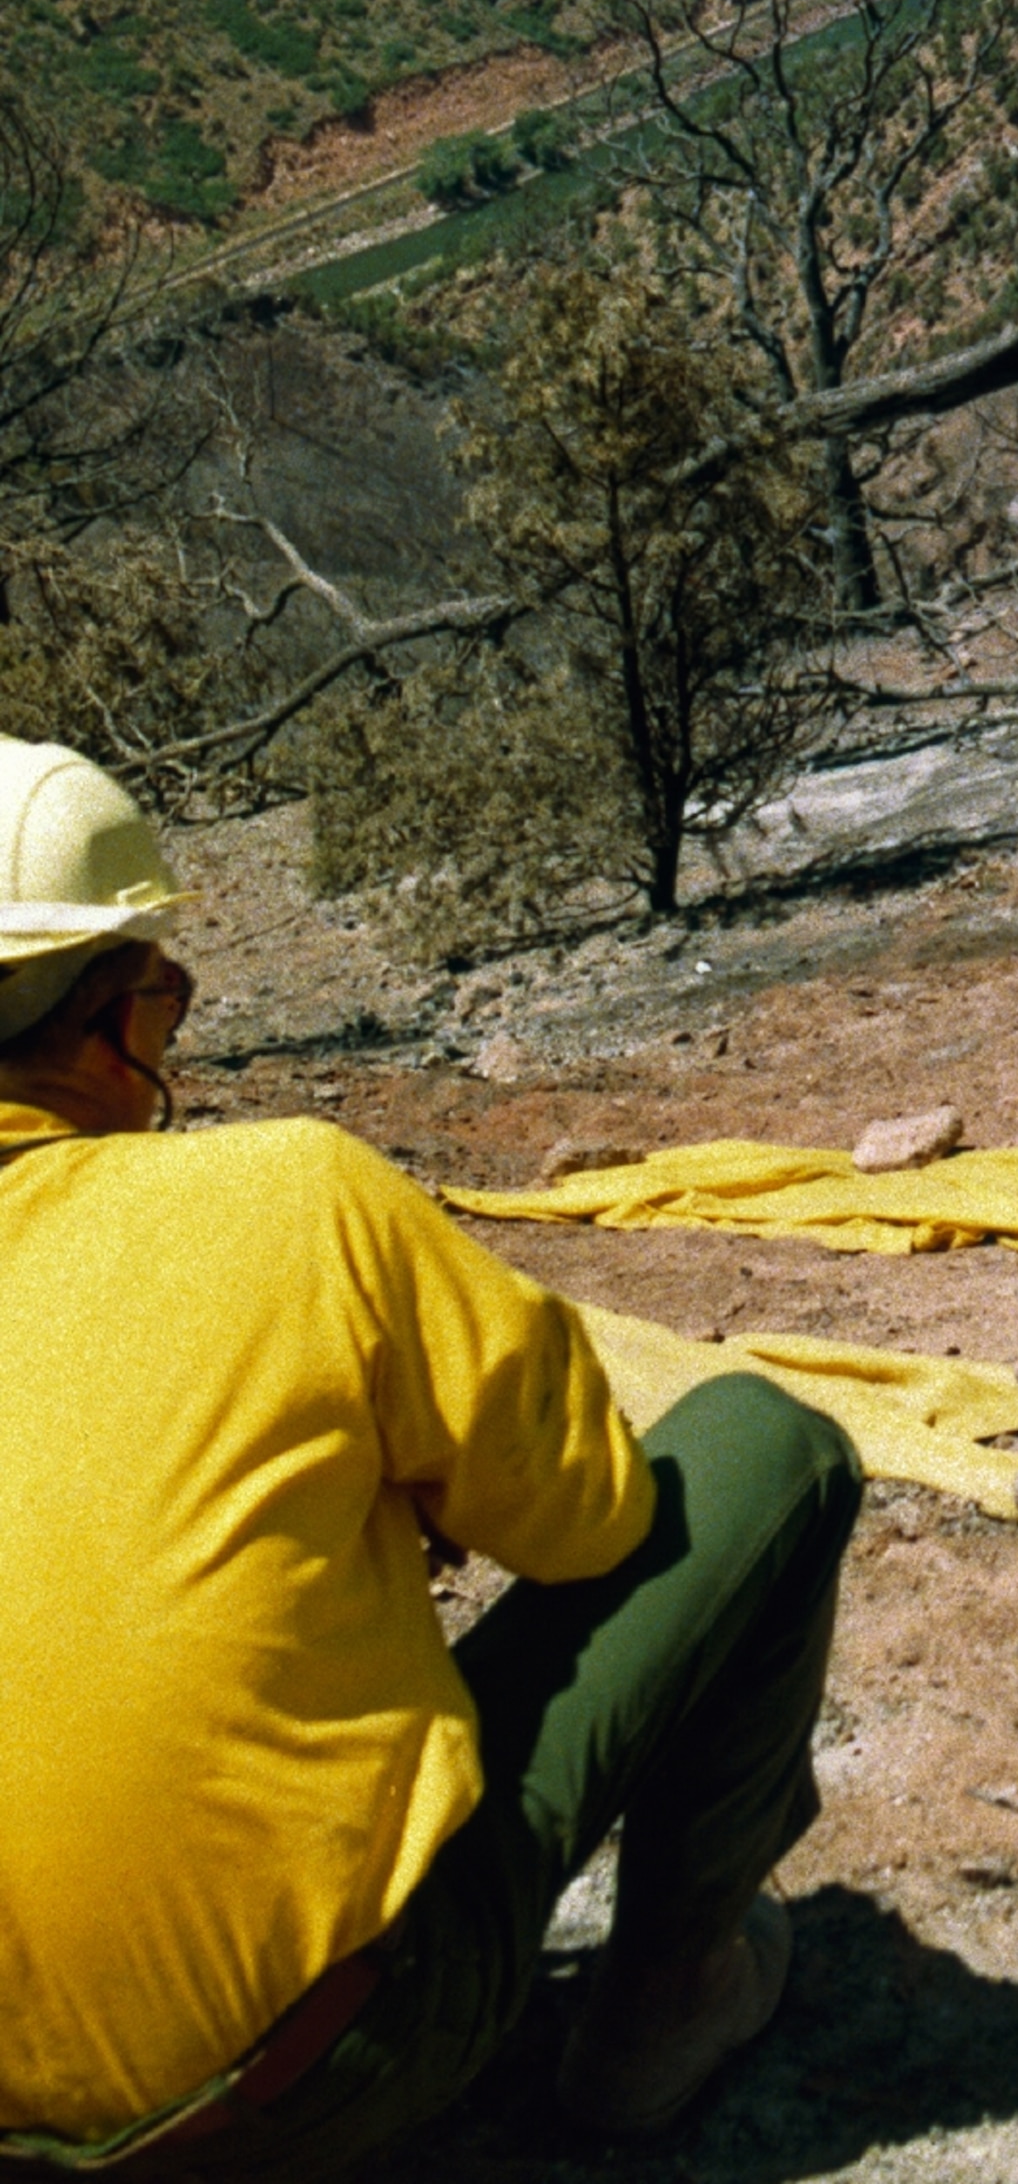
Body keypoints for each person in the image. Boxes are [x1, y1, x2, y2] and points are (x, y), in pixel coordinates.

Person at [0, 741, 862, 2175]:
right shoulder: (292, 1200)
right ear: (111, 1019)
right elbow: (592, 1519)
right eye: (165, 995)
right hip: (285, 2094)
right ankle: (664, 2015)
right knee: (768, 1451)